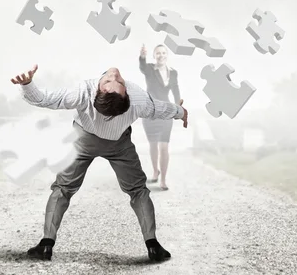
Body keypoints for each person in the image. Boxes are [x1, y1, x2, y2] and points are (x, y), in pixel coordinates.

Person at [10, 64, 188, 262]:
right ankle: (153, 246)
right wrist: (180, 111)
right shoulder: (139, 98)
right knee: (138, 190)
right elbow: (159, 109)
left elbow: (45, 99)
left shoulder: (85, 91)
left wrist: (27, 85)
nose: (115, 74)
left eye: (118, 81)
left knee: (63, 189)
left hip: (85, 141)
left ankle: (45, 245)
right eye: (113, 80)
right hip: (116, 143)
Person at [138, 44, 181, 190]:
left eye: (163, 53)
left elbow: (176, 90)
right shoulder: (149, 69)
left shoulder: (173, 73)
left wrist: (178, 108)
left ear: (167, 55)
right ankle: (155, 171)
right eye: (158, 53)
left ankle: (163, 179)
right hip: (150, 112)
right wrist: (142, 57)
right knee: (153, 144)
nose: (161, 55)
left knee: (164, 146)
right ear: (154, 56)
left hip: (166, 112)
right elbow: (142, 67)